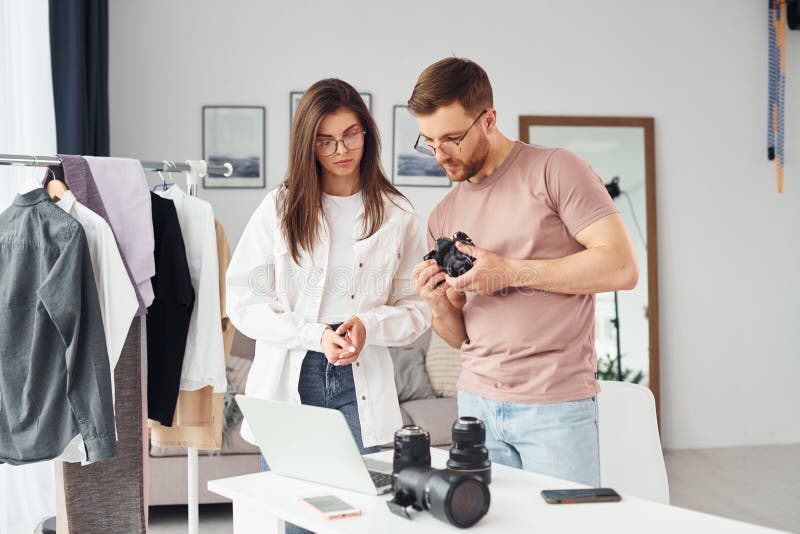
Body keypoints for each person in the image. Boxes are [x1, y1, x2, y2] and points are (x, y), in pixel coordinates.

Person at [409, 58, 638, 486]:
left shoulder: (556, 169)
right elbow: (462, 338)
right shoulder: (444, 214)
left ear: (489, 119)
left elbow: (621, 266)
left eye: (452, 139)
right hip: (475, 405)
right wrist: (439, 306)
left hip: (555, 406)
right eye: (428, 142)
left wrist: (511, 271)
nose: (440, 155)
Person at [227, 78, 430, 533]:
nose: (342, 149)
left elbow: (419, 309)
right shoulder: (279, 209)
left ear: (367, 133)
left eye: (351, 134)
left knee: (364, 517)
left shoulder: (397, 213)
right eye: (325, 140)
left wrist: (367, 325)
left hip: (360, 384)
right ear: (308, 144)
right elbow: (242, 299)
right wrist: (314, 335)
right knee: (297, 518)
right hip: (293, 378)